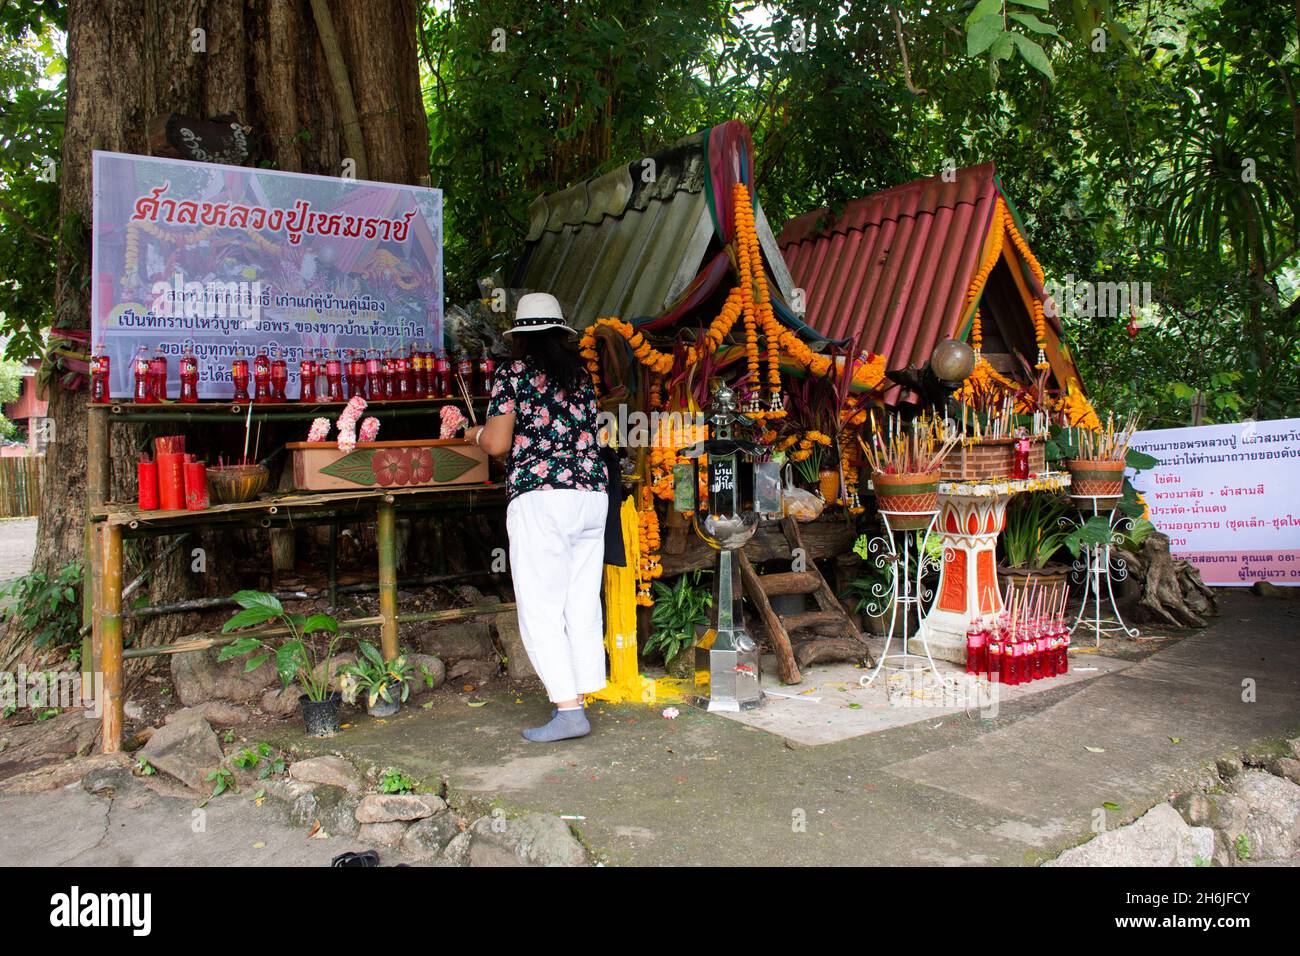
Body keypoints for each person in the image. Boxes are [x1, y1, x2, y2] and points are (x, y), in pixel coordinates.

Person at [464, 292, 607, 742]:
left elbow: (498, 444)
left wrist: (473, 432)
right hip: (590, 495)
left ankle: (568, 711)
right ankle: (581, 695)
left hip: (542, 498)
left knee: (541, 607)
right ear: (561, 333)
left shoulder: (514, 372)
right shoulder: (580, 375)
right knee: (580, 601)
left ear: (521, 338)